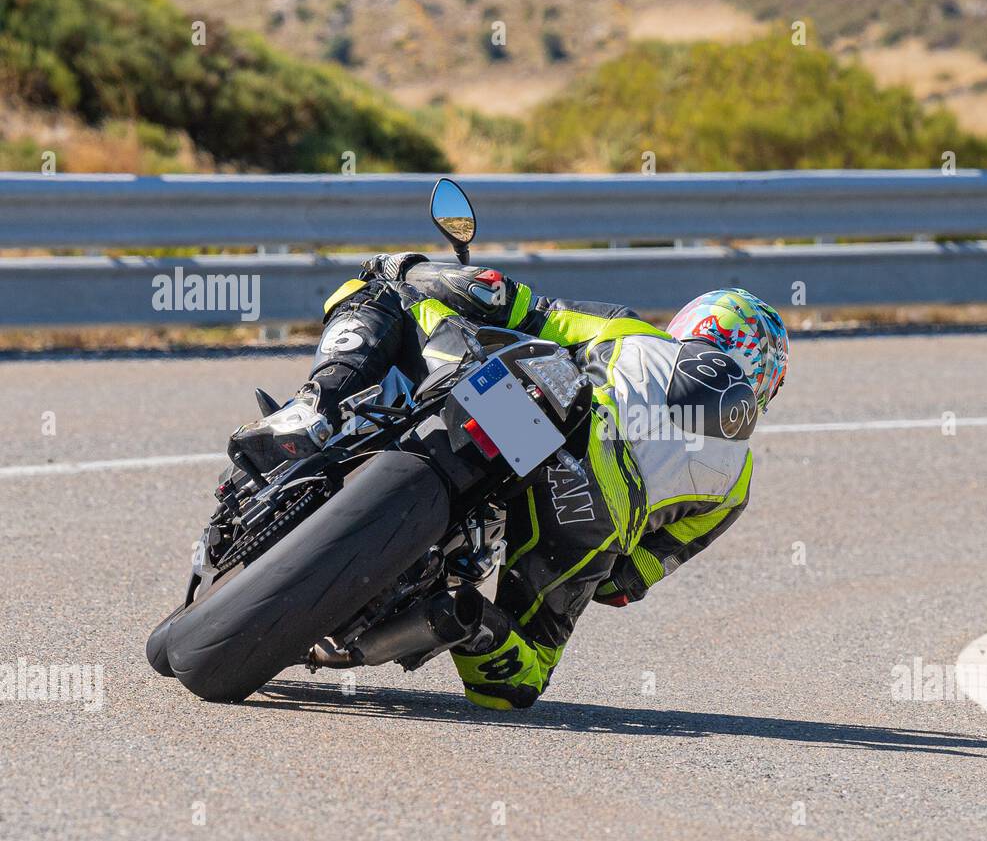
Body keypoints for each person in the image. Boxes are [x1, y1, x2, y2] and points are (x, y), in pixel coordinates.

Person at [230, 252, 789, 709]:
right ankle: (459, 619)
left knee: (381, 288)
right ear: (766, 380)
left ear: (693, 325)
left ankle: (319, 405)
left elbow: (512, 301)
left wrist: (413, 270)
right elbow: (626, 584)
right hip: (587, 524)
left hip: (535, 421)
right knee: (516, 682)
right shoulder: (735, 484)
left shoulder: (632, 333)